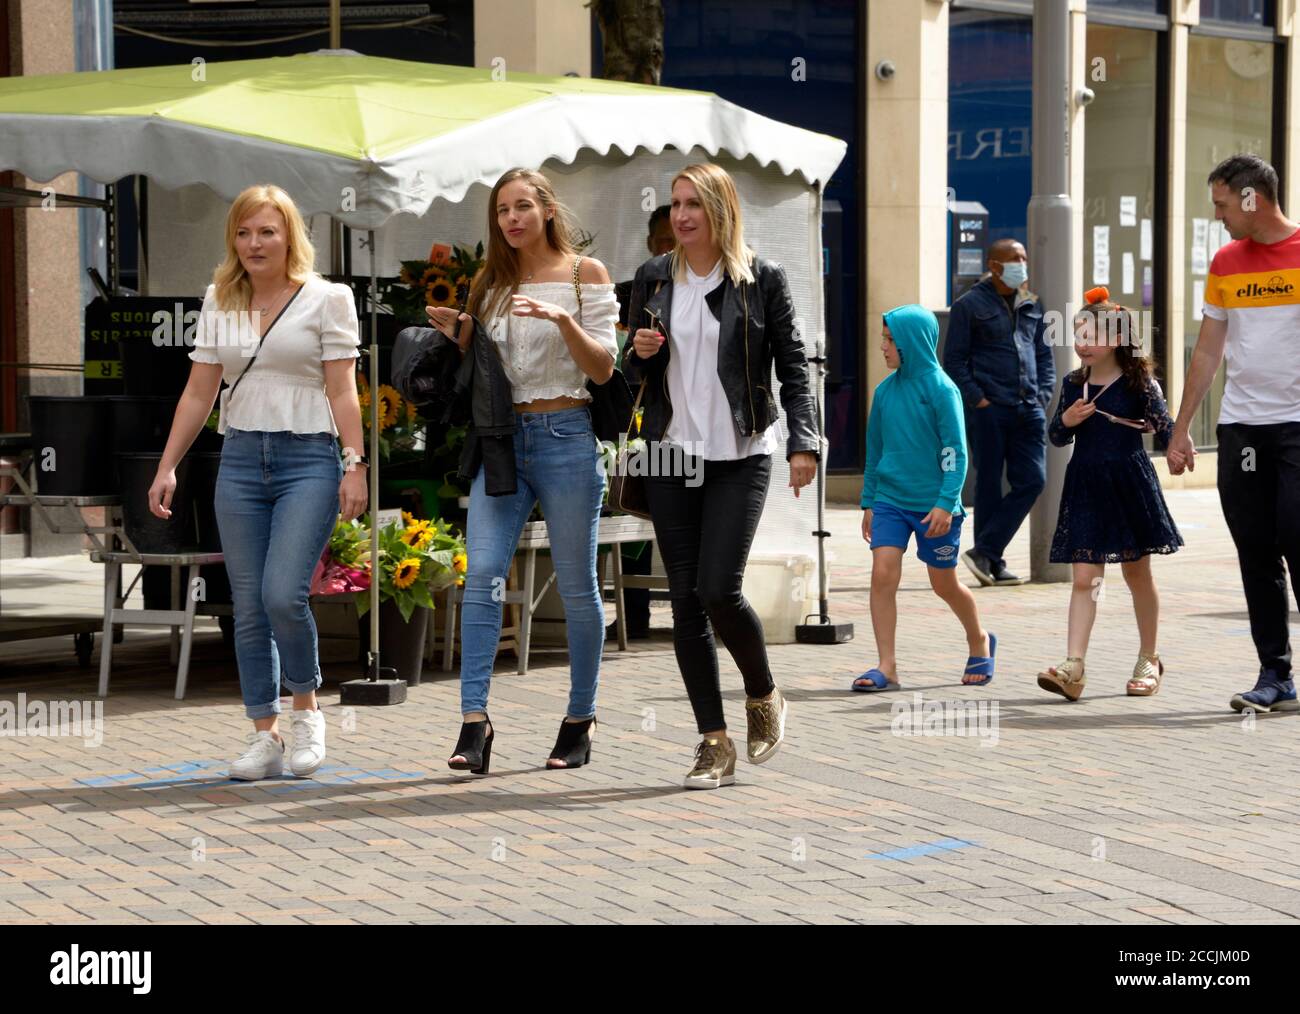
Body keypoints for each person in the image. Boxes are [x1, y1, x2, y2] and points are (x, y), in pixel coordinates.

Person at [148, 183, 367, 780]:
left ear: (289, 235)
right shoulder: (222, 299)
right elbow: (199, 392)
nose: (253, 243)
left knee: (281, 595)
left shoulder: (328, 298)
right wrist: (167, 466)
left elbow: (343, 388)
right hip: (240, 459)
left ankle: (307, 713)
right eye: (243, 233)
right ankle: (263, 735)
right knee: (247, 606)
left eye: (266, 231)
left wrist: (355, 463)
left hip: (309, 460)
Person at [624, 162, 820, 790]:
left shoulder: (761, 279)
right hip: (670, 452)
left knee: (717, 587)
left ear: (721, 211)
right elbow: (631, 373)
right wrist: (639, 353)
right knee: (684, 602)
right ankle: (713, 742)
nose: (681, 216)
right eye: (676, 205)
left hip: (742, 449)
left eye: (694, 205)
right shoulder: (655, 277)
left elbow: (793, 365)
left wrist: (804, 442)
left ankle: (762, 693)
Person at [425, 167, 619, 772]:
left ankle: (579, 720)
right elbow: (487, 372)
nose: (511, 219)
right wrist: (462, 336)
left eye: (522, 208)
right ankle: (473, 723)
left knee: (577, 584)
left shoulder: (587, 276)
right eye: (502, 211)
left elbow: (605, 369)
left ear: (548, 210)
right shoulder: (490, 282)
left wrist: (562, 321)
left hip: (567, 435)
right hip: (502, 441)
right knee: (480, 572)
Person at [1167, 153, 1300, 715]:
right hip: (1243, 429)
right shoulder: (1226, 262)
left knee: (1297, 538)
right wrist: (1180, 429)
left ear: (1251, 199)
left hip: (1297, 427)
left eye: (1222, 204)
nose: (1218, 216)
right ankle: (1276, 674)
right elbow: (1208, 349)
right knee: (1256, 550)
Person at [1037, 289, 1182, 702]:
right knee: (1085, 577)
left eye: (1091, 335)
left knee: (1138, 574)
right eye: (1077, 334)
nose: (1081, 343)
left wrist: (1177, 449)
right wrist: (1067, 418)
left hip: (1128, 483)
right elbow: (1057, 436)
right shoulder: (1073, 384)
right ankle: (1074, 665)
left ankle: (1148, 658)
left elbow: (1164, 425)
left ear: (1117, 339)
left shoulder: (1139, 382)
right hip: (1086, 484)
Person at [854, 306, 996, 694]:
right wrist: (869, 501)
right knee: (882, 574)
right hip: (889, 501)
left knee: (944, 585)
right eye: (882, 338)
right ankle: (888, 665)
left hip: (936, 506)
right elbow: (875, 452)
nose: (883, 347)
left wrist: (946, 502)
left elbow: (957, 453)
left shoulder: (942, 390)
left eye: (890, 340)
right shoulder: (884, 393)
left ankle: (979, 640)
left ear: (912, 343)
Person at [942, 238, 1056, 586]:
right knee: (989, 484)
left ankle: (986, 551)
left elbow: (1044, 356)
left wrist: (1043, 396)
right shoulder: (969, 305)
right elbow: (955, 362)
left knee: (1033, 480)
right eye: (1014, 259)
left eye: (1023, 257)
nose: (1022, 264)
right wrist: (979, 400)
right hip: (989, 410)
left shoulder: (1033, 304)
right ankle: (992, 560)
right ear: (994, 265)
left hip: (1028, 408)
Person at [609, 204, 674, 640]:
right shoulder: (634, 291)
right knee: (628, 509)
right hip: (633, 424)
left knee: (677, 523)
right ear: (652, 244)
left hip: (685, 427)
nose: (672, 247)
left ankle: (698, 608)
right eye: (664, 241)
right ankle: (633, 615)